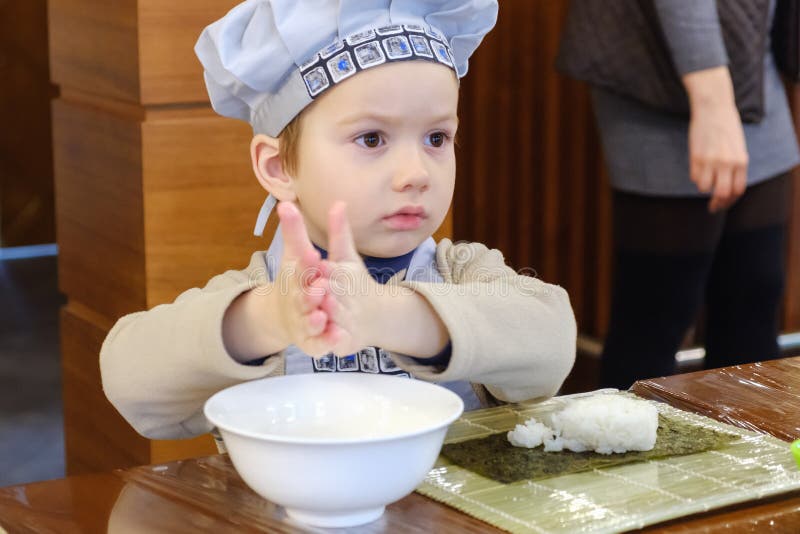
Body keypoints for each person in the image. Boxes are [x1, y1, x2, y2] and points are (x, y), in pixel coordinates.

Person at [100, 0, 577, 441]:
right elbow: (128, 377)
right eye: (372, 139)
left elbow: (550, 341)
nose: (416, 174)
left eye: (436, 138)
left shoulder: (464, 273)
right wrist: (265, 320)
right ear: (279, 168)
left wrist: (386, 313)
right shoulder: (258, 293)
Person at [558, 0, 799, 389]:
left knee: (754, 297)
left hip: (755, 54)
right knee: (658, 311)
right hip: (655, 65)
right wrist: (714, 106)